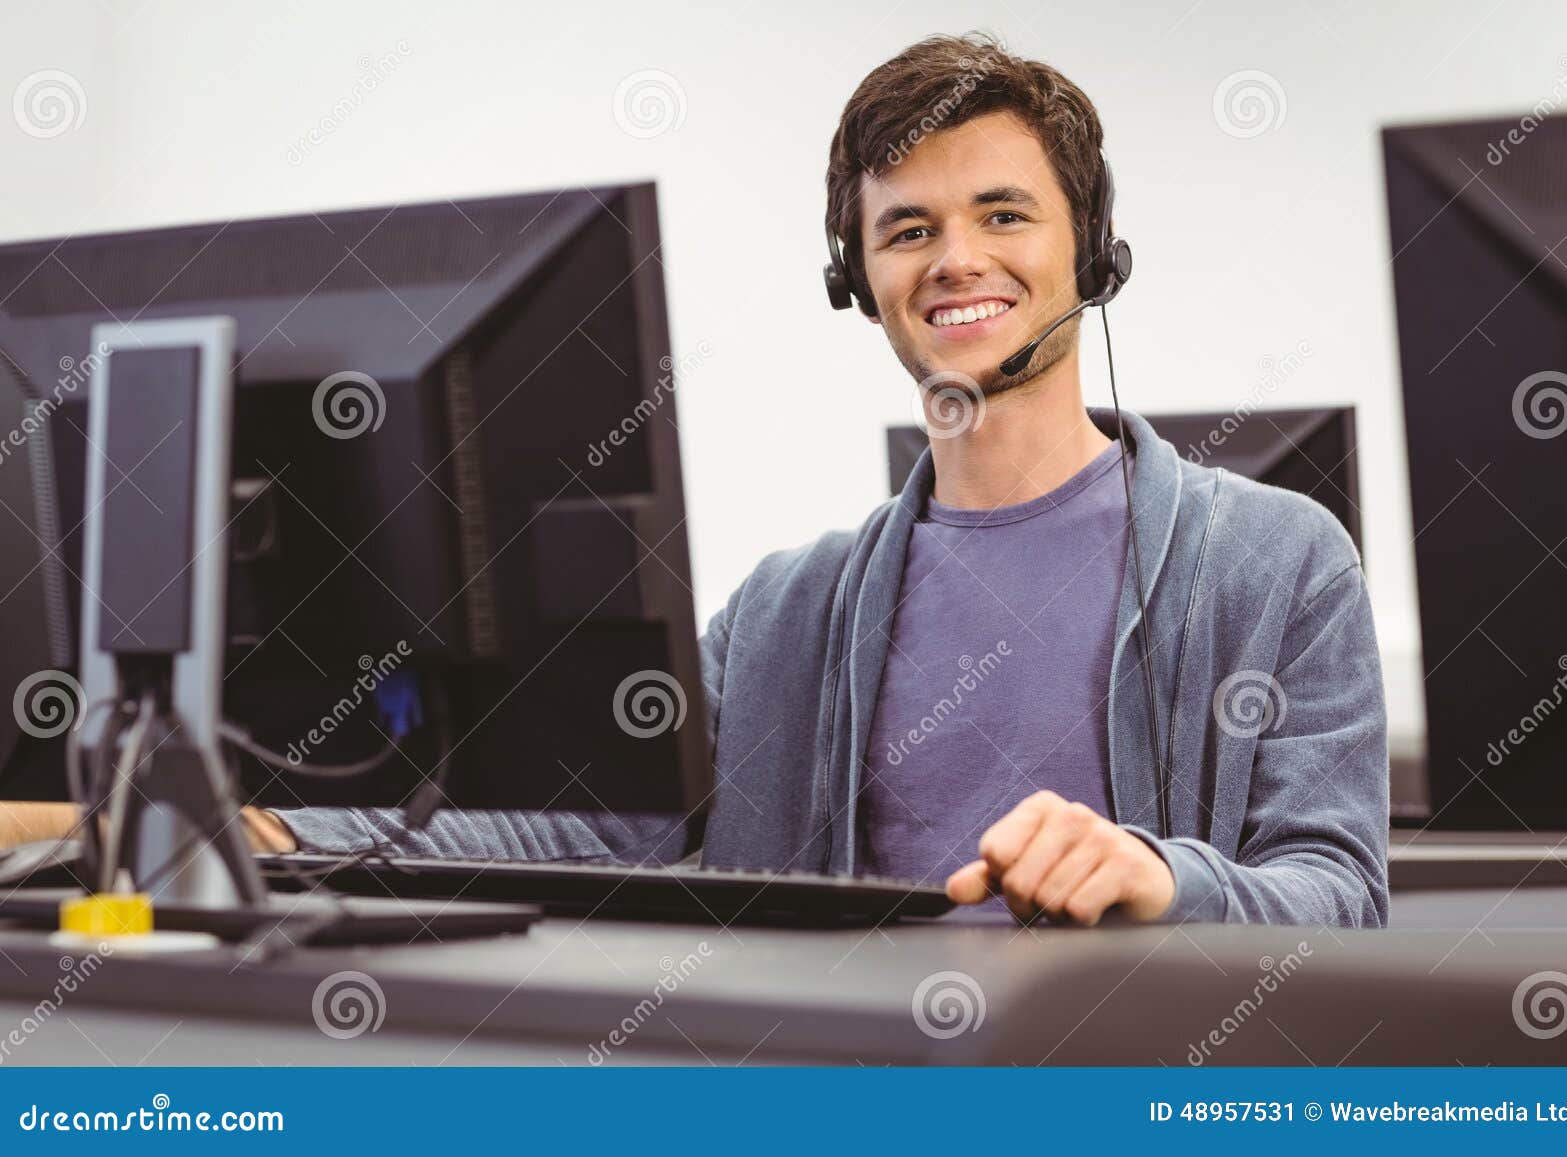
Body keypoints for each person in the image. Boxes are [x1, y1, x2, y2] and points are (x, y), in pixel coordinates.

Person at [1, 32, 1388, 927]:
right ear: (862, 281)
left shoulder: (1274, 560)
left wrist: (1161, 870)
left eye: (1004, 213)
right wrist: (234, 818)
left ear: (1095, 254)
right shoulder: (791, 608)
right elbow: (600, 819)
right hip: (866, 1083)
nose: (955, 258)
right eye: (907, 228)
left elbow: (1338, 890)